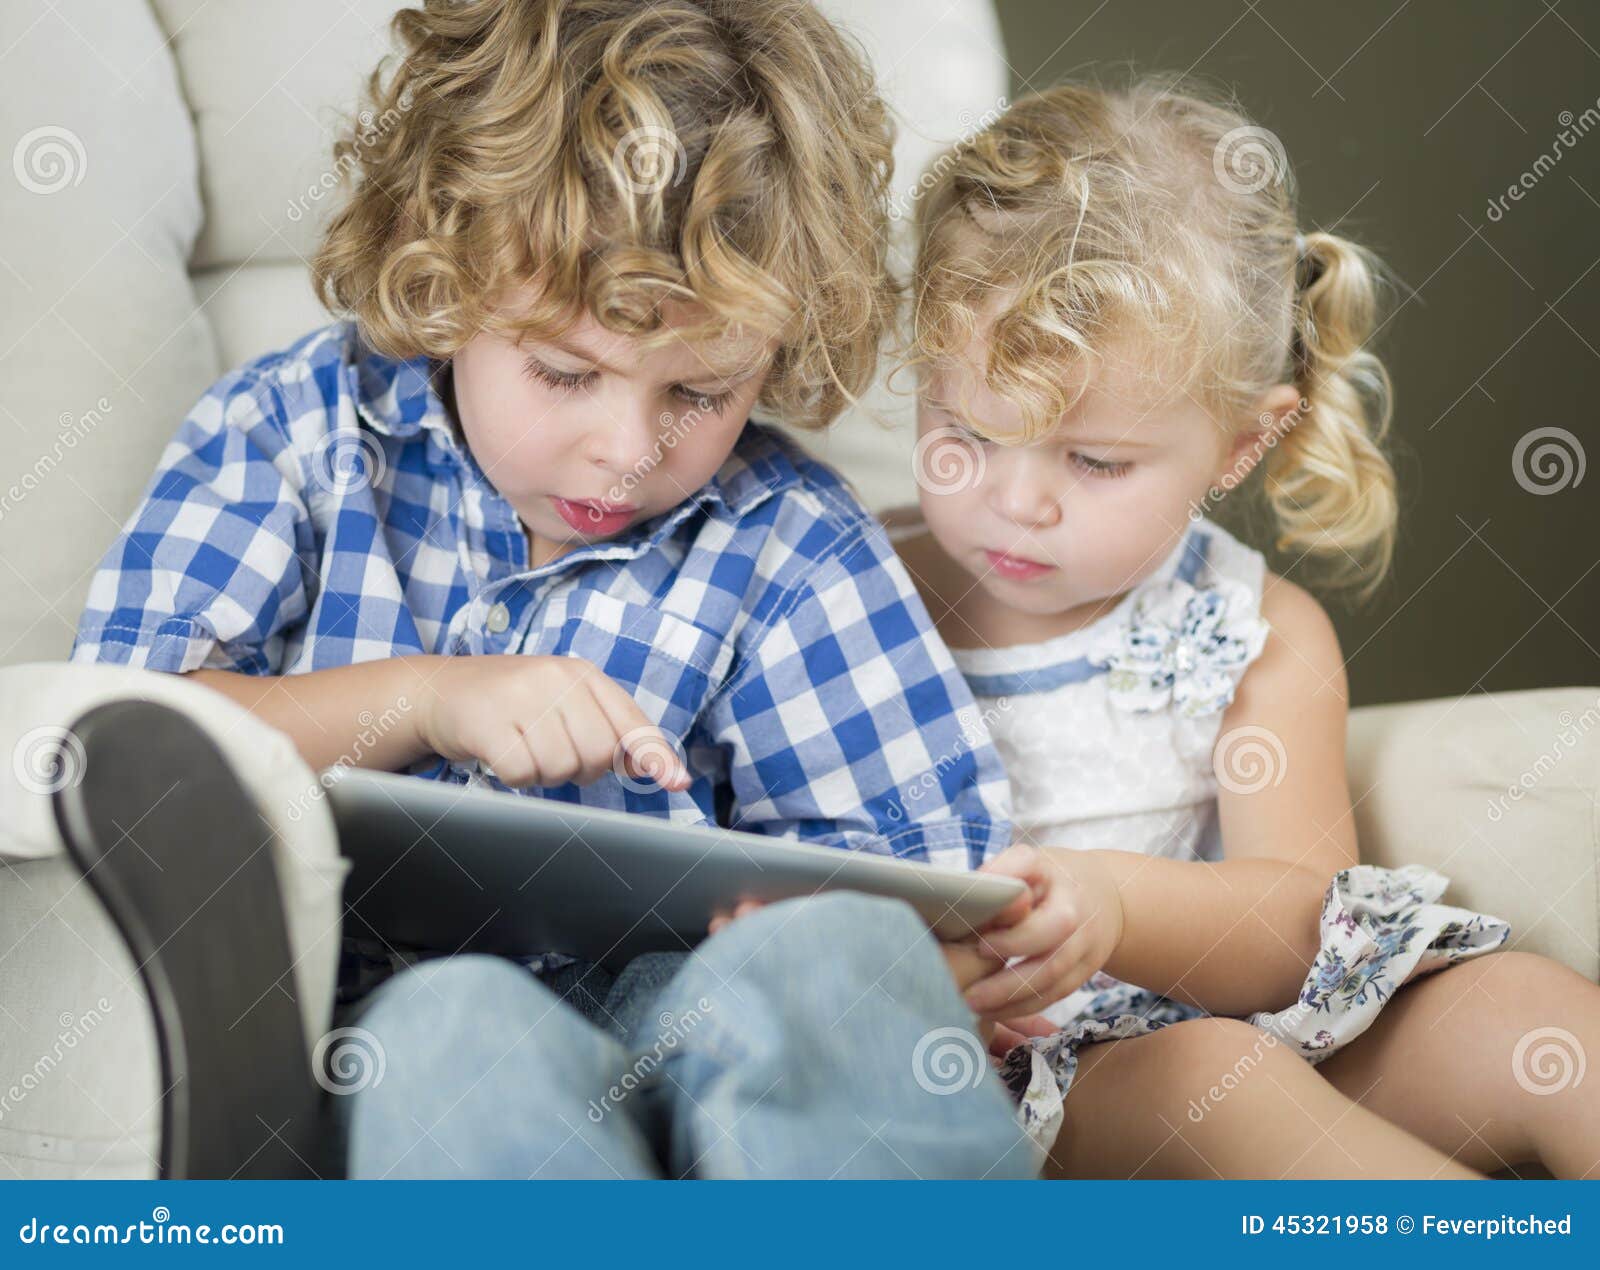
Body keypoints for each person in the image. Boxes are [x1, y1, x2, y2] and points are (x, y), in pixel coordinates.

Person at [891, 76, 1600, 1179]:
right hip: (1024, 1077)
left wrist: (1114, 902)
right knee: (1217, 1086)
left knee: (1537, 1019)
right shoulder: (848, 588)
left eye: (1093, 461)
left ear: (1237, 445)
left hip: (1254, 1027)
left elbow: (1295, 923)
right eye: (964, 431)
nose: (1017, 501)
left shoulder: (1254, 627)